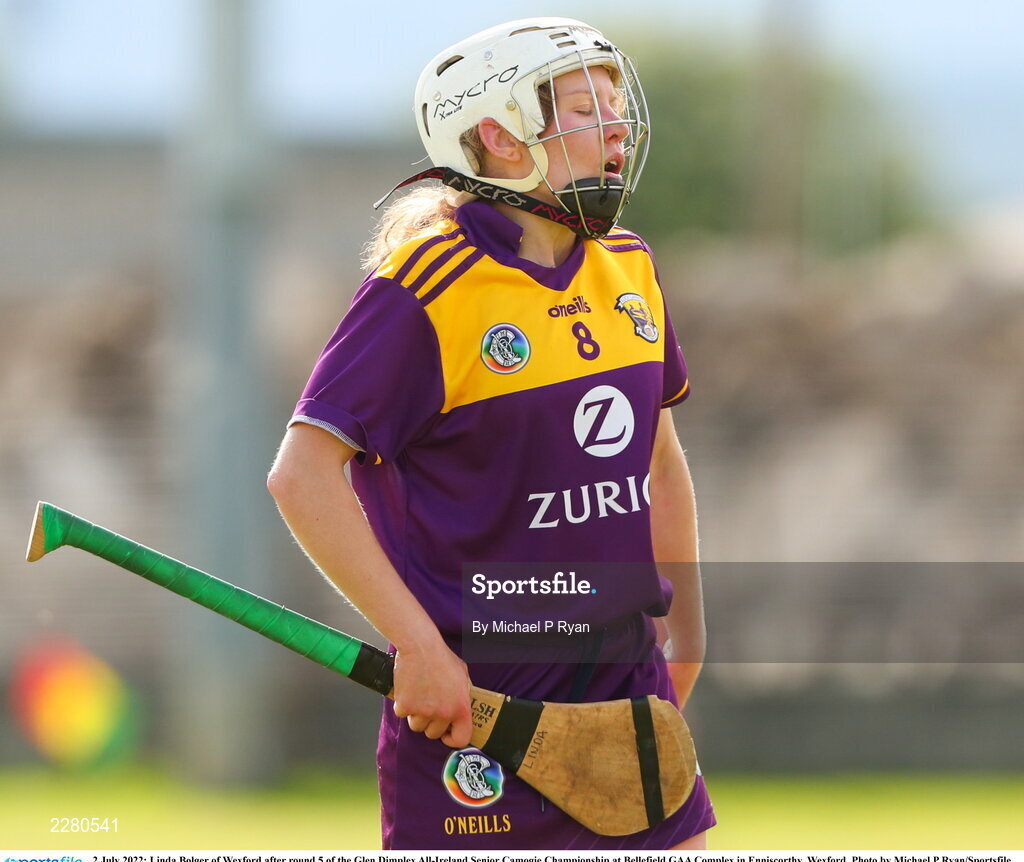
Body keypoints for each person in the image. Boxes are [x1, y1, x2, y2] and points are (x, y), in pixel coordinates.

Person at [267, 17, 714, 850]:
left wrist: (685, 627)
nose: (616, 130)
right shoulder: (425, 289)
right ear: (497, 138)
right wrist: (416, 647)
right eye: (585, 110)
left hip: (624, 687)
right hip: (474, 711)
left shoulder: (630, 266)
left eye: (617, 108)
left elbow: (657, 460)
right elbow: (302, 476)